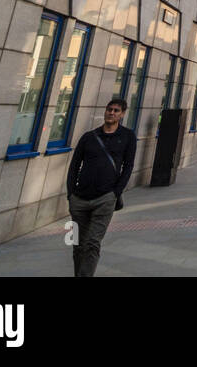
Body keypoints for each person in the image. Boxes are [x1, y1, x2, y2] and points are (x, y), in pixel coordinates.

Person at [66, 98, 137, 277]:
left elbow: (128, 166)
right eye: (109, 109)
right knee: (78, 245)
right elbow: (74, 165)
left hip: (105, 198)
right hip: (79, 199)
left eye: (116, 110)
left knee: (92, 242)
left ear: (122, 115)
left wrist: (116, 192)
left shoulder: (127, 136)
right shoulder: (89, 137)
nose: (111, 113)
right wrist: (70, 193)